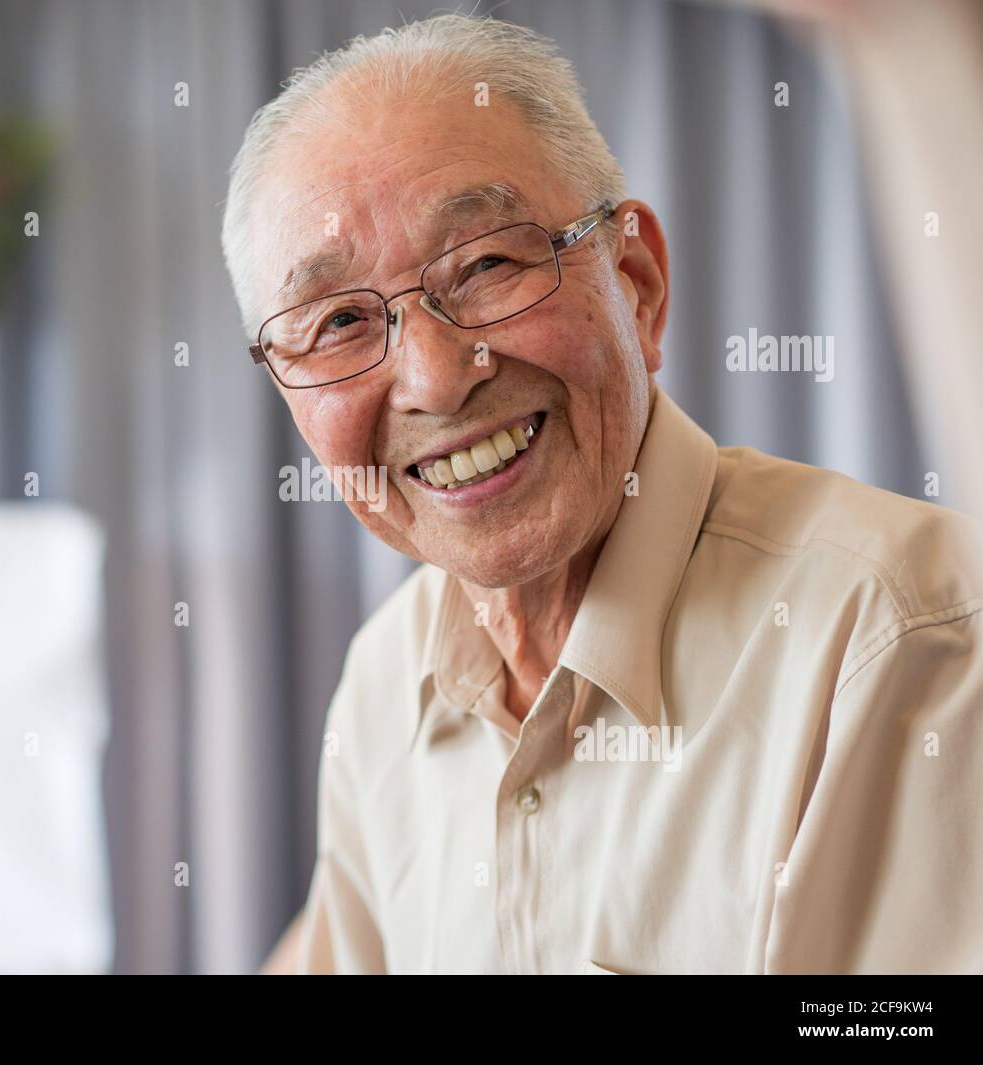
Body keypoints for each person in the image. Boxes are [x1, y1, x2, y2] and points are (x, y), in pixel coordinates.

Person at [222, 13, 983, 974]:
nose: (433, 378)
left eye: (488, 263)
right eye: (336, 321)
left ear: (637, 282)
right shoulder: (389, 676)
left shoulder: (897, 637)